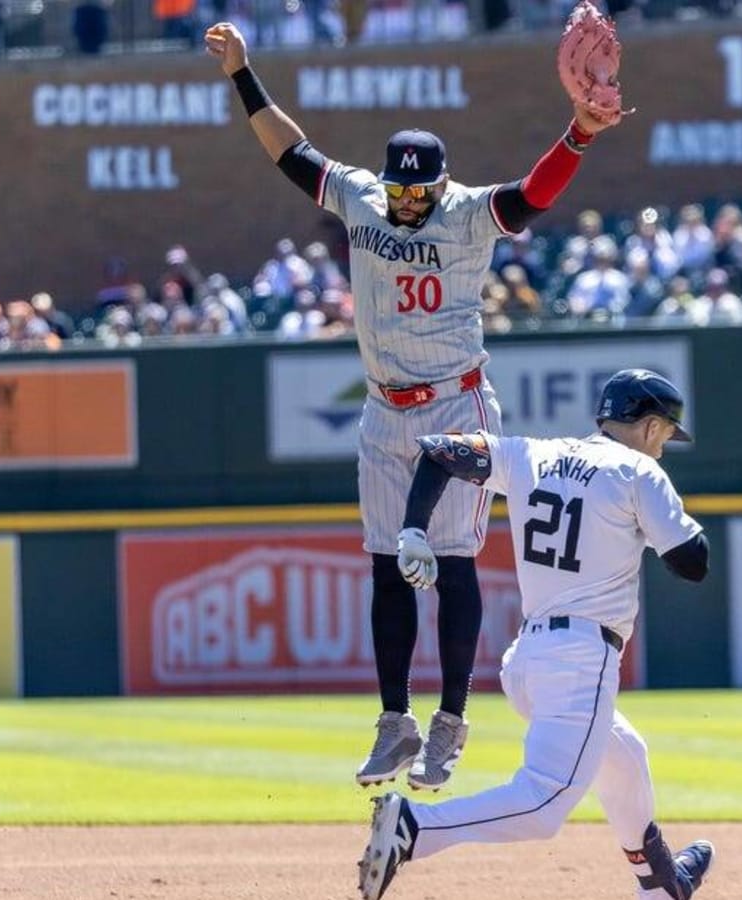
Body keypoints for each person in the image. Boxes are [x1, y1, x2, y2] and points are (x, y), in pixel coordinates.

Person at [205, 19, 615, 791]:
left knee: (452, 564)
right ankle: (394, 722)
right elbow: (291, 153)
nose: (403, 199)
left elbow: (531, 197)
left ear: (438, 183)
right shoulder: (364, 197)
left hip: (455, 409)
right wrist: (243, 74)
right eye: (398, 187)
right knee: (387, 569)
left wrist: (580, 134)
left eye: (415, 189)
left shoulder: (461, 212)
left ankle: (451, 723)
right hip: (384, 411)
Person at [357, 369, 715, 900]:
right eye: (666, 433)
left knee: (624, 756)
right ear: (651, 425)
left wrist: (412, 528)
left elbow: (439, 451)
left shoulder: (533, 453)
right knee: (544, 806)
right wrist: (660, 520)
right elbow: (694, 563)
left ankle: (660, 881)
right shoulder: (639, 472)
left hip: (528, 661)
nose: (665, 445)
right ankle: (416, 828)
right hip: (579, 659)